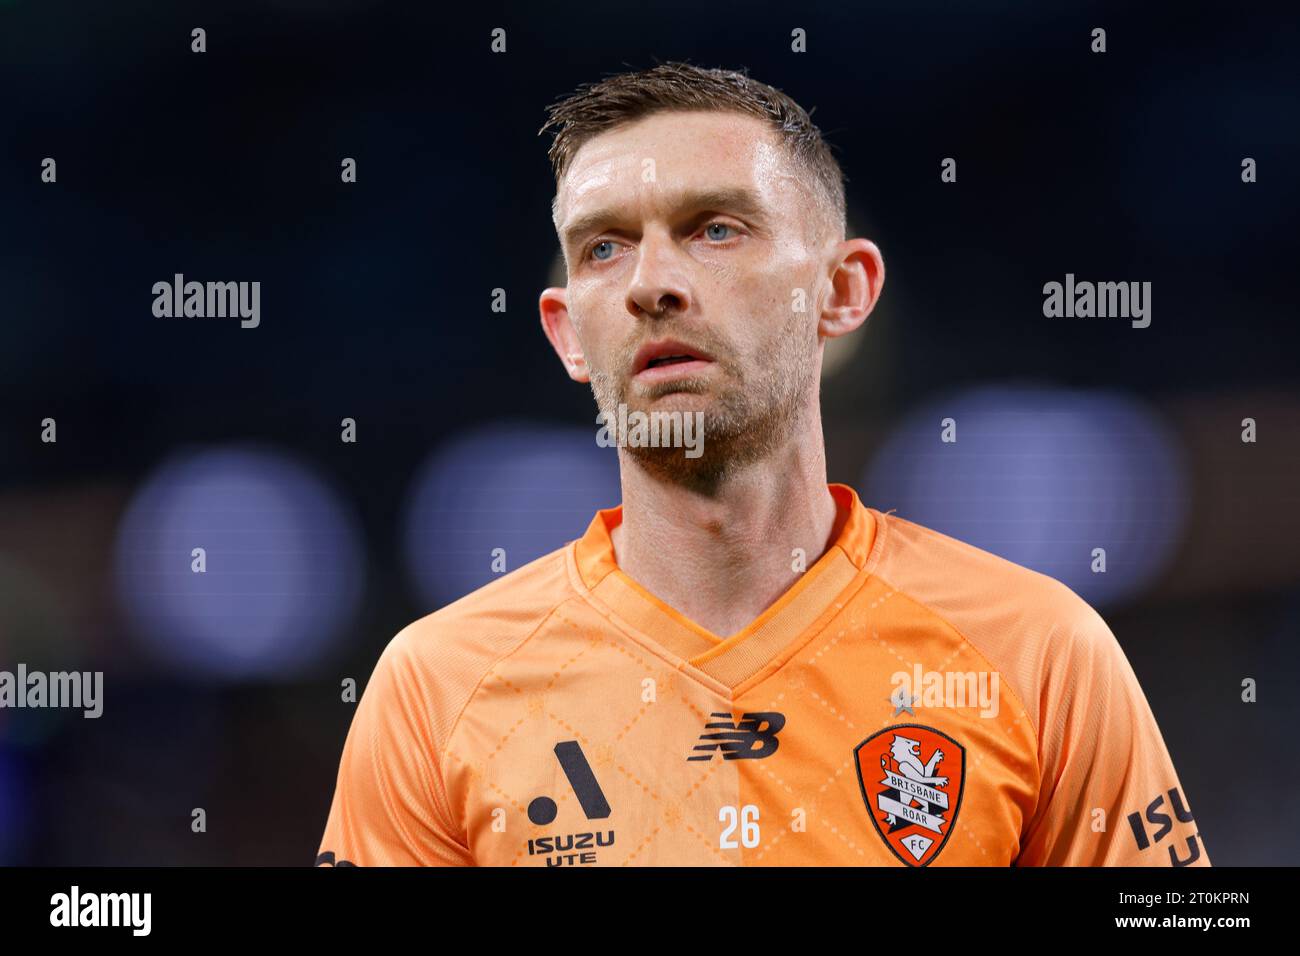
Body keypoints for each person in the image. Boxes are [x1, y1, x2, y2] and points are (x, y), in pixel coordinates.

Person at [316, 62, 1207, 867]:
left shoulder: (1037, 650)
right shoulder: (437, 687)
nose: (650, 282)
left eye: (715, 229)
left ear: (842, 289)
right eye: (604, 246)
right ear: (566, 333)